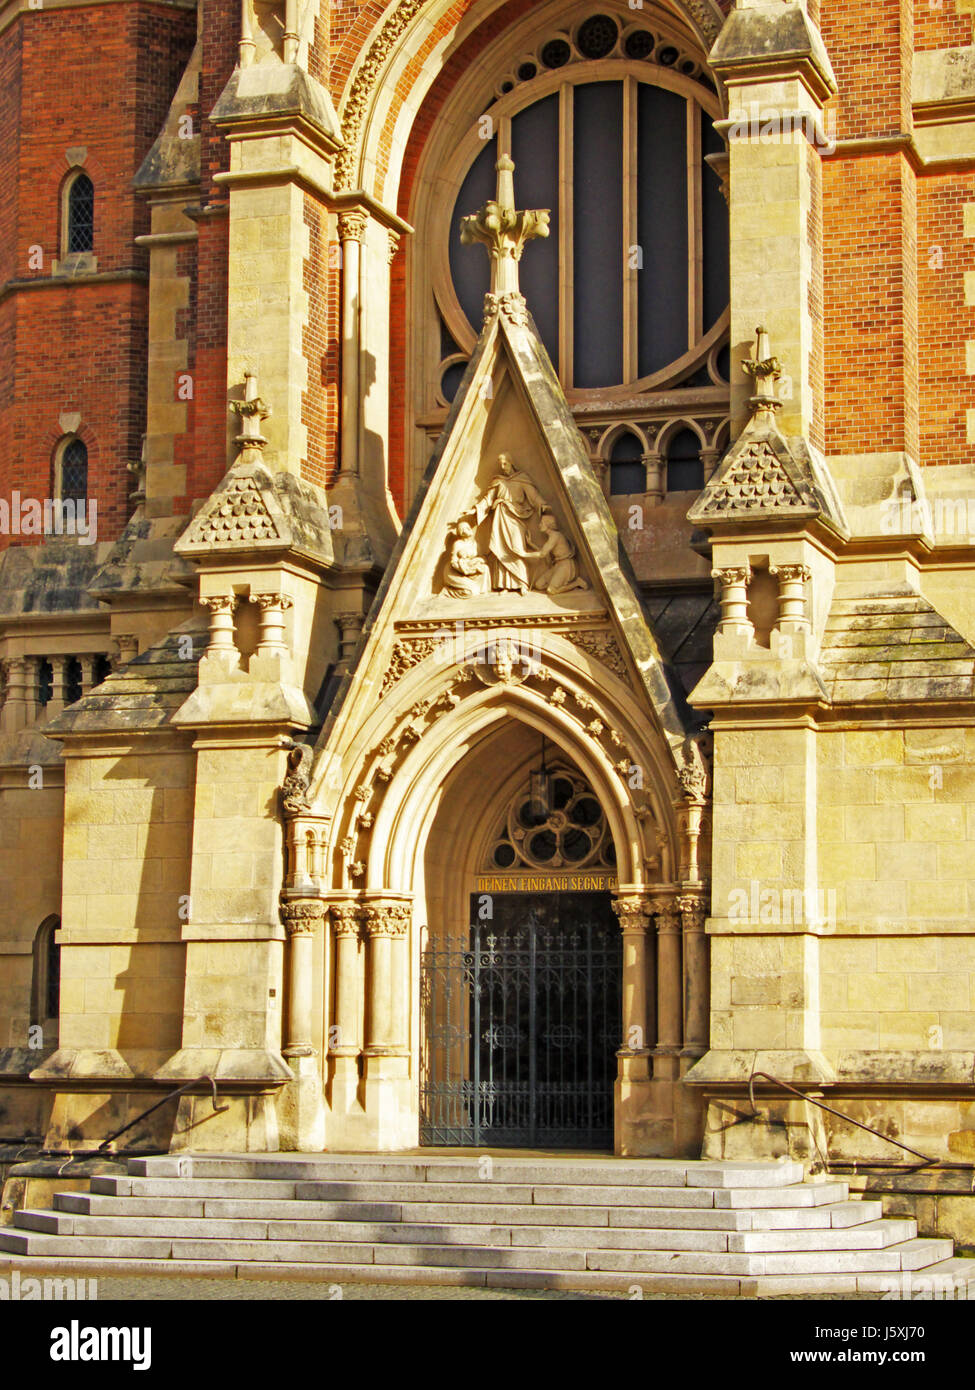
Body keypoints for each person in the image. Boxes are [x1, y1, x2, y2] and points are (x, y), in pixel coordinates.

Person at [473, 453, 548, 594]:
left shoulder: (522, 479)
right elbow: (488, 499)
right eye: (500, 464)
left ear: (511, 463)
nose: (502, 467)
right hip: (500, 517)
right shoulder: (498, 481)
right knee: (500, 549)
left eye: (505, 463)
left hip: (515, 517)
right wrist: (476, 509)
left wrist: (542, 505)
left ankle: (522, 583)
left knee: (516, 548)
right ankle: (505, 585)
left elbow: (533, 496)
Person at [530, 513, 589, 594]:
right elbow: (544, 552)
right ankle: (556, 583)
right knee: (538, 585)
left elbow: (542, 554)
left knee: (551, 590)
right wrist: (530, 544)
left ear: (548, 524)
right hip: (557, 566)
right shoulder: (552, 536)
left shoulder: (555, 535)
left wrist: (524, 554)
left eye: (541, 523)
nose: (539, 525)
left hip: (566, 566)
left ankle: (577, 583)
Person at [442, 520, 490, 598]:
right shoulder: (458, 544)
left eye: (468, 528)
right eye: (465, 528)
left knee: (485, 568)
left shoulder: (475, 544)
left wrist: (478, 561)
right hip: (455, 572)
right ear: (461, 532)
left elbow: (483, 557)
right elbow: (453, 561)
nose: (469, 529)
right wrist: (465, 570)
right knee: (470, 592)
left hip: (470, 567)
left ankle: (482, 592)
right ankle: (448, 591)